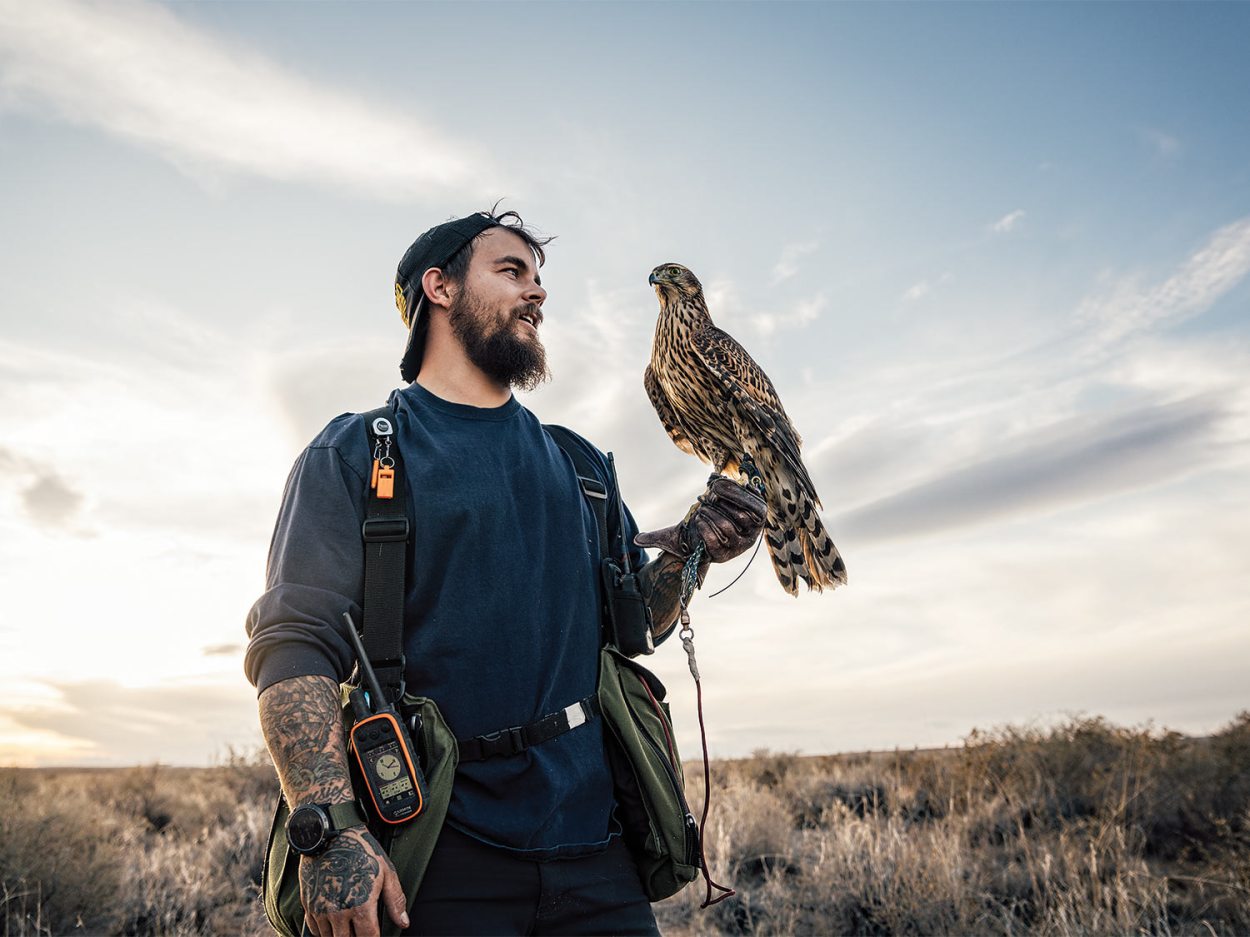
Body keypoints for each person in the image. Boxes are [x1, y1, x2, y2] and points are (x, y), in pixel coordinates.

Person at [244, 207, 766, 937]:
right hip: (437, 857)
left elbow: (635, 625)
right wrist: (328, 828)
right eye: (512, 270)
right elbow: (294, 646)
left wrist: (692, 549)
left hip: (598, 853)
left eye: (539, 278)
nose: (538, 291)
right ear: (440, 287)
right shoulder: (358, 454)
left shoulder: (580, 465)